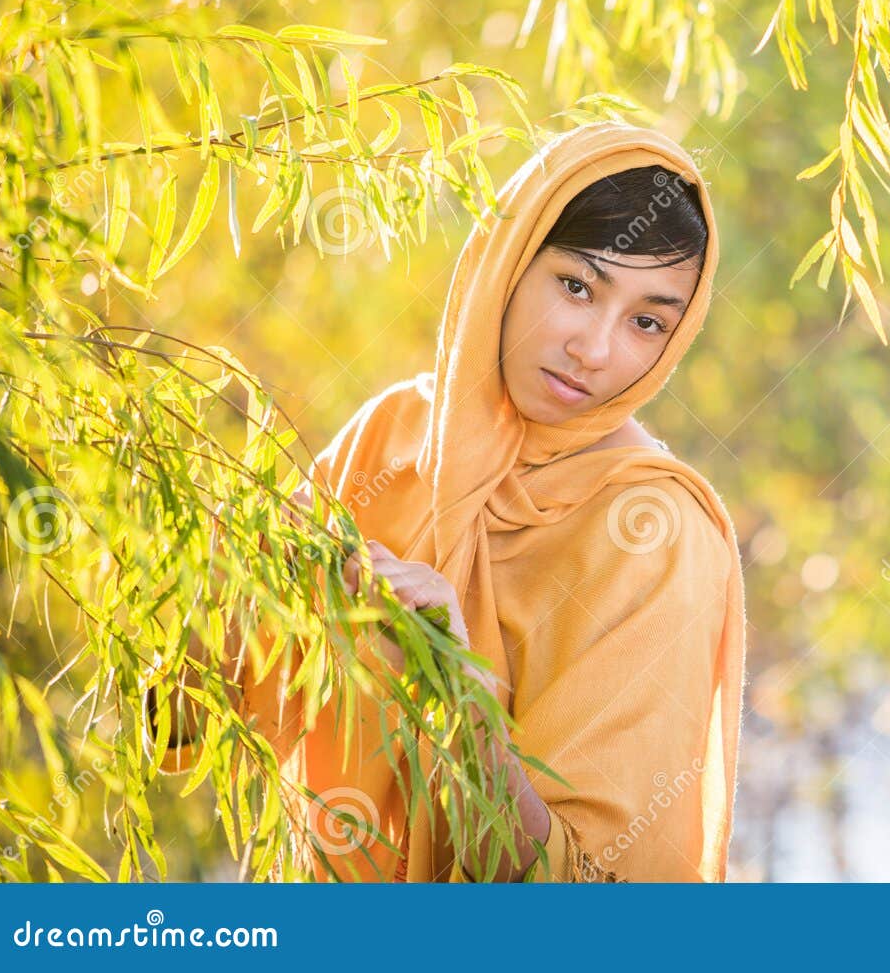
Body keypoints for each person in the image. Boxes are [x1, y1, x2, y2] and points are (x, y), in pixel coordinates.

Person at [158, 122, 745, 883]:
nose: (594, 350)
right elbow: (184, 731)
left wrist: (461, 698)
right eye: (576, 286)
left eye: (646, 322)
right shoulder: (395, 435)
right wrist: (218, 586)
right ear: (507, 262)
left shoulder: (657, 536)